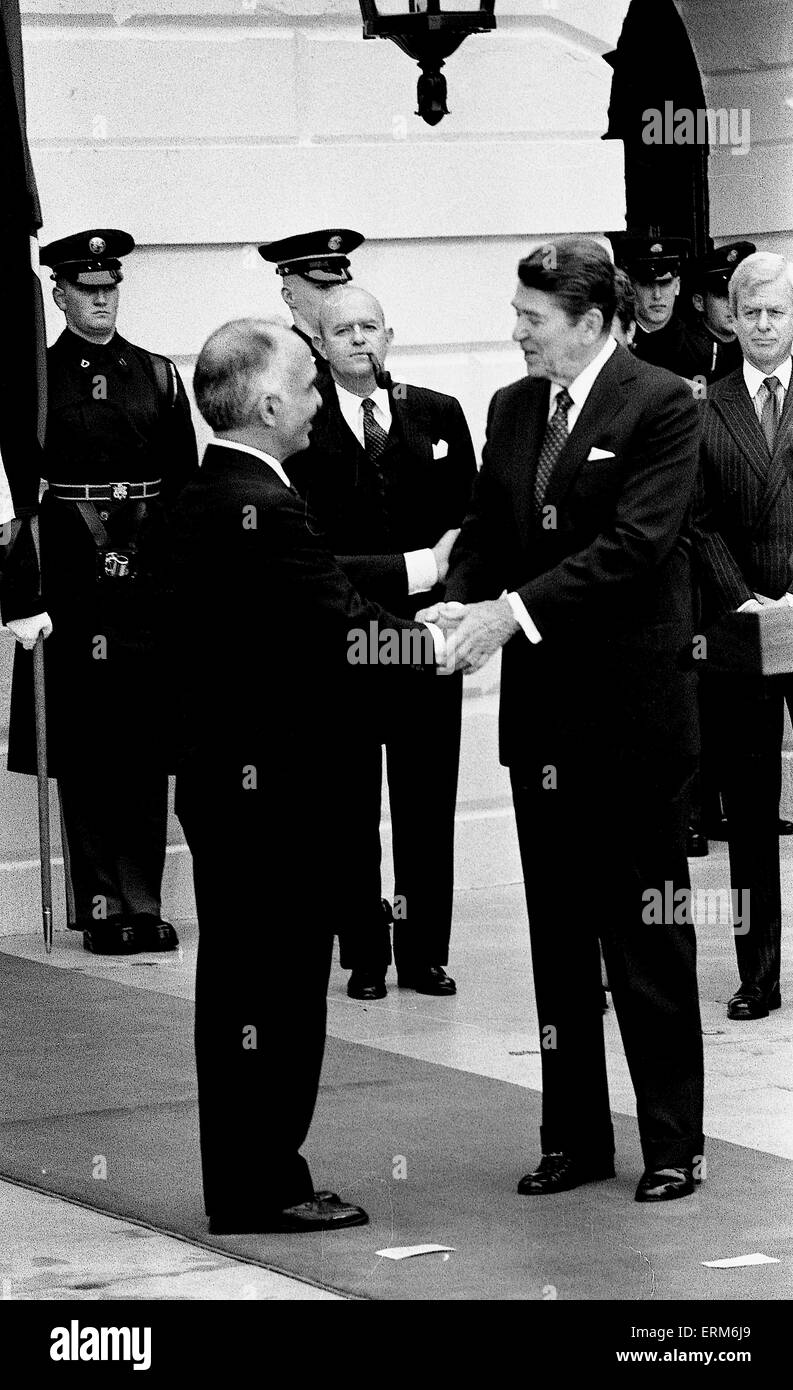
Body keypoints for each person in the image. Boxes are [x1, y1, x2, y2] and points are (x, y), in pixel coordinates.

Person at [423, 237, 704, 1203]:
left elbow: (636, 545)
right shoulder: (510, 410)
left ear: (589, 323)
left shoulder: (661, 404)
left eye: (532, 320)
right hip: (543, 729)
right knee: (557, 937)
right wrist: (458, 600)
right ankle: (575, 1136)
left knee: (646, 936)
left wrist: (513, 613)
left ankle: (673, 1142)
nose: (516, 333)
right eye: (517, 314)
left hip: (631, 720)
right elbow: (488, 528)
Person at [167, 317, 446, 1234]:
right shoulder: (267, 505)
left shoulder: (210, 491)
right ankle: (266, 1186)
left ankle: (245, 1178)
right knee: (276, 994)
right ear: (271, 402)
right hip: (277, 796)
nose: (325, 398)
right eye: (311, 385)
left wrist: (418, 573)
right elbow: (335, 620)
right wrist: (441, 645)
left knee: (241, 988)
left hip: (228, 787)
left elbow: (315, 582)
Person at [5, 228, 198, 955]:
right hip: (74, 590)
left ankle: (142, 902)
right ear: (58, 295)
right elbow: (20, 502)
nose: (100, 302)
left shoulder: (156, 375)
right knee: (85, 750)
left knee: (146, 750)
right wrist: (22, 591)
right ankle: (98, 904)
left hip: (144, 586)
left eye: (109, 288)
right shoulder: (35, 382)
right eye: (86, 290)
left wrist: (179, 581)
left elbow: (181, 489)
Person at [288, 285, 477, 999]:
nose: (359, 340)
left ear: (389, 336)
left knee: (427, 804)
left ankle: (424, 951)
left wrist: (455, 607)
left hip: (428, 641)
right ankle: (365, 953)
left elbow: (473, 524)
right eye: (342, 331)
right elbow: (312, 555)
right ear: (320, 344)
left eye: (370, 327)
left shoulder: (437, 415)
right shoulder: (304, 431)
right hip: (348, 641)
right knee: (348, 807)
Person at [692, 251, 793, 1021]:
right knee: (750, 815)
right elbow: (692, 520)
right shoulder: (703, 405)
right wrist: (745, 600)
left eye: (778, 312)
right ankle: (756, 975)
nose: (763, 325)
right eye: (750, 312)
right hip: (736, 635)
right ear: (731, 318)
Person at [257, 227, 364, 372]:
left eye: (342, 285)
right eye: (324, 287)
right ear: (290, 296)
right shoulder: (281, 362)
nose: (338, 296)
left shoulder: (358, 350)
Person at [612, 232, 697, 377]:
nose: (657, 295)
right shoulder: (617, 344)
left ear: (677, 286)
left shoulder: (698, 349)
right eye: (646, 284)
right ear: (632, 287)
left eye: (664, 284)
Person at [684, 240, 755, 387]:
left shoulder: (754, 343)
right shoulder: (686, 351)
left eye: (737, 295)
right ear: (699, 303)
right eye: (722, 296)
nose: (732, 304)